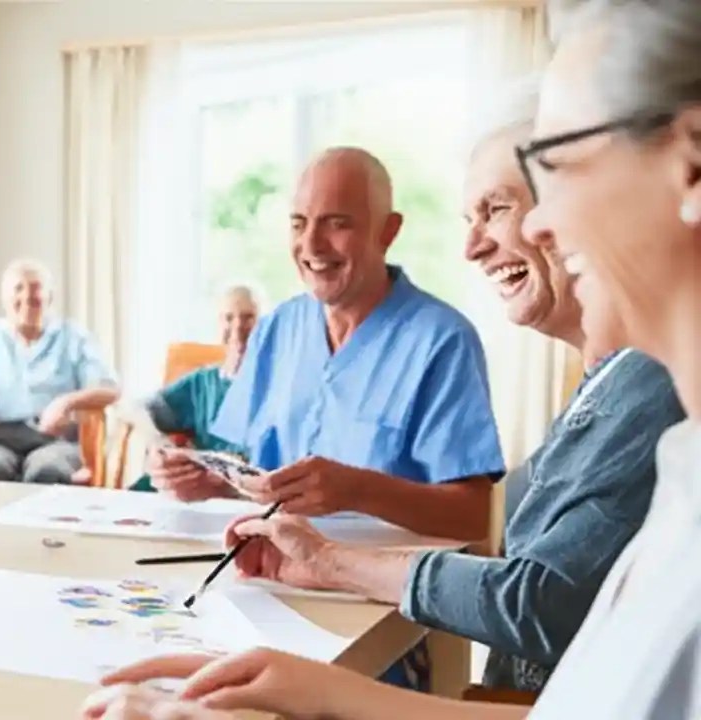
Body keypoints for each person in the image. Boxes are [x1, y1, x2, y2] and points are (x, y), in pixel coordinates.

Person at [82, 0, 701, 716]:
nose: (537, 224)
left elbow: (523, 582)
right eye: (298, 222)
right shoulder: (671, 459)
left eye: (556, 169)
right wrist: (317, 684)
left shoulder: (637, 405)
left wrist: (343, 564)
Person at [147, 148, 505, 542]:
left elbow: (472, 517)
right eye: (299, 224)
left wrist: (358, 491)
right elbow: (257, 475)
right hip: (272, 561)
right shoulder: (276, 329)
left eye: (337, 224)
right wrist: (209, 482)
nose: (312, 245)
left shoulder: (443, 341)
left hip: (384, 576)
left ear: (388, 232)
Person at [0, 259, 119, 484]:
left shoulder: (73, 336)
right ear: (4, 298)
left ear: (50, 297)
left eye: (36, 288)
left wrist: (66, 402)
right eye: (18, 288)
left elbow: (110, 389)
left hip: (55, 440)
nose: (27, 296)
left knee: (47, 471)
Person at [128, 285, 260, 492]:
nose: (238, 328)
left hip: (244, 490)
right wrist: (160, 442)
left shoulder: (278, 383)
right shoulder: (202, 382)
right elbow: (138, 408)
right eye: (228, 318)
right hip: (194, 484)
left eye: (248, 317)